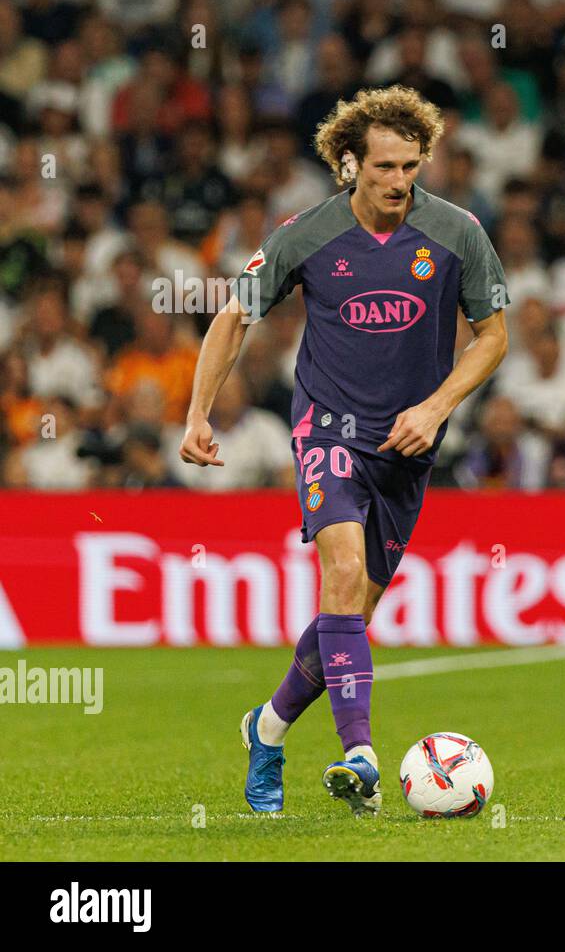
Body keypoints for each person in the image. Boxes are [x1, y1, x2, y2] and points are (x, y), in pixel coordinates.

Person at [177, 86, 510, 816]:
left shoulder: (458, 233)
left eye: (411, 166)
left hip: (409, 447)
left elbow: (493, 336)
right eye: (385, 166)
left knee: (351, 613)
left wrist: (436, 405)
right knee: (343, 568)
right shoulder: (306, 234)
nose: (398, 181)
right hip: (328, 429)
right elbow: (236, 315)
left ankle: (265, 729)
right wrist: (199, 412)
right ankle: (359, 754)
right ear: (348, 163)